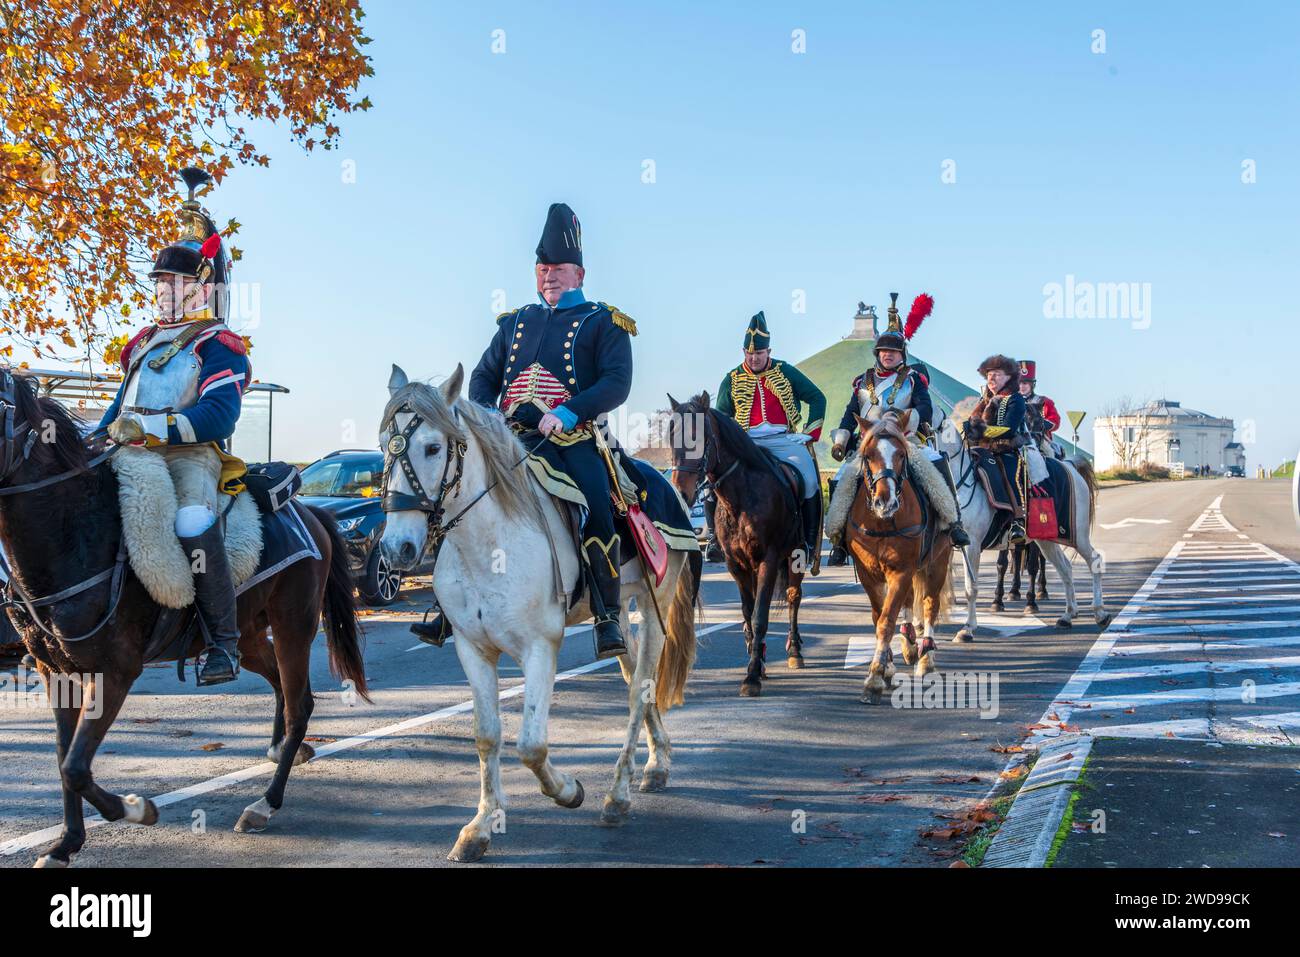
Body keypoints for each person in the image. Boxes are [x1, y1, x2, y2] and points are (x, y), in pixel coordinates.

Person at [413, 203, 635, 660]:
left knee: (595, 502)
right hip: (511, 437)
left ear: (580, 273)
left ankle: (608, 614)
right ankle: (446, 604)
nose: (549, 275)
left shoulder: (603, 322)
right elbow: (481, 378)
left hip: (570, 439)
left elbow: (616, 382)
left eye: (559, 268)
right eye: (542, 267)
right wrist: (489, 417)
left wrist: (570, 413)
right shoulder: (514, 323)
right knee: (457, 495)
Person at [99, 167, 250, 686]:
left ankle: (222, 643)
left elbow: (219, 416)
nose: (163, 289)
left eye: (173, 281)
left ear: (200, 286)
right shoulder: (142, 342)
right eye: (160, 281)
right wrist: (92, 437)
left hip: (191, 456)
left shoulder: (218, 342)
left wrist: (154, 432)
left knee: (189, 521)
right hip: (130, 453)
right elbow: (120, 407)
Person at [825, 293, 969, 566]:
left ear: (901, 355)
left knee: (936, 464)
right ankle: (838, 538)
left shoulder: (914, 380)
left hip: (904, 440)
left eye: (893, 352)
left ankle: (953, 522)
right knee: (842, 477)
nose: (888, 355)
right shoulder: (861, 381)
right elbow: (849, 414)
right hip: (869, 443)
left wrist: (901, 418)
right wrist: (842, 440)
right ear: (877, 354)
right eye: (884, 351)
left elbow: (925, 409)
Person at [711, 311, 827, 571]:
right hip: (746, 442)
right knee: (715, 481)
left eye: (759, 354)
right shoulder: (731, 379)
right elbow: (720, 417)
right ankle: (714, 539)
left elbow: (817, 398)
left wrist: (809, 433)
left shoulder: (786, 371)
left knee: (809, 479)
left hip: (783, 439)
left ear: (769, 351)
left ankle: (807, 543)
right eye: (749, 354)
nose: (754, 358)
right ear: (743, 351)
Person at [965, 354, 1028, 540]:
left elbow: (1008, 429)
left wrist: (980, 431)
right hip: (980, 451)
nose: (992, 378)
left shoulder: (1016, 399)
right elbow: (973, 427)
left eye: (998, 374)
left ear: (1009, 377)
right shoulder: (982, 402)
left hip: (1006, 449)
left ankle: (1018, 520)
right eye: (989, 374)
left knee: (1009, 472)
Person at [1019, 359, 1063, 458]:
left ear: (1032, 385)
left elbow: (1055, 421)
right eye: (1019, 383)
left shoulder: (1044, 401)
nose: (1022, 386)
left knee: (1050, 455)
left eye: (1025, 383)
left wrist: (1041, 424)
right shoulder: (1011, 402)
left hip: (1040, 439)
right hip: (1017, 439)